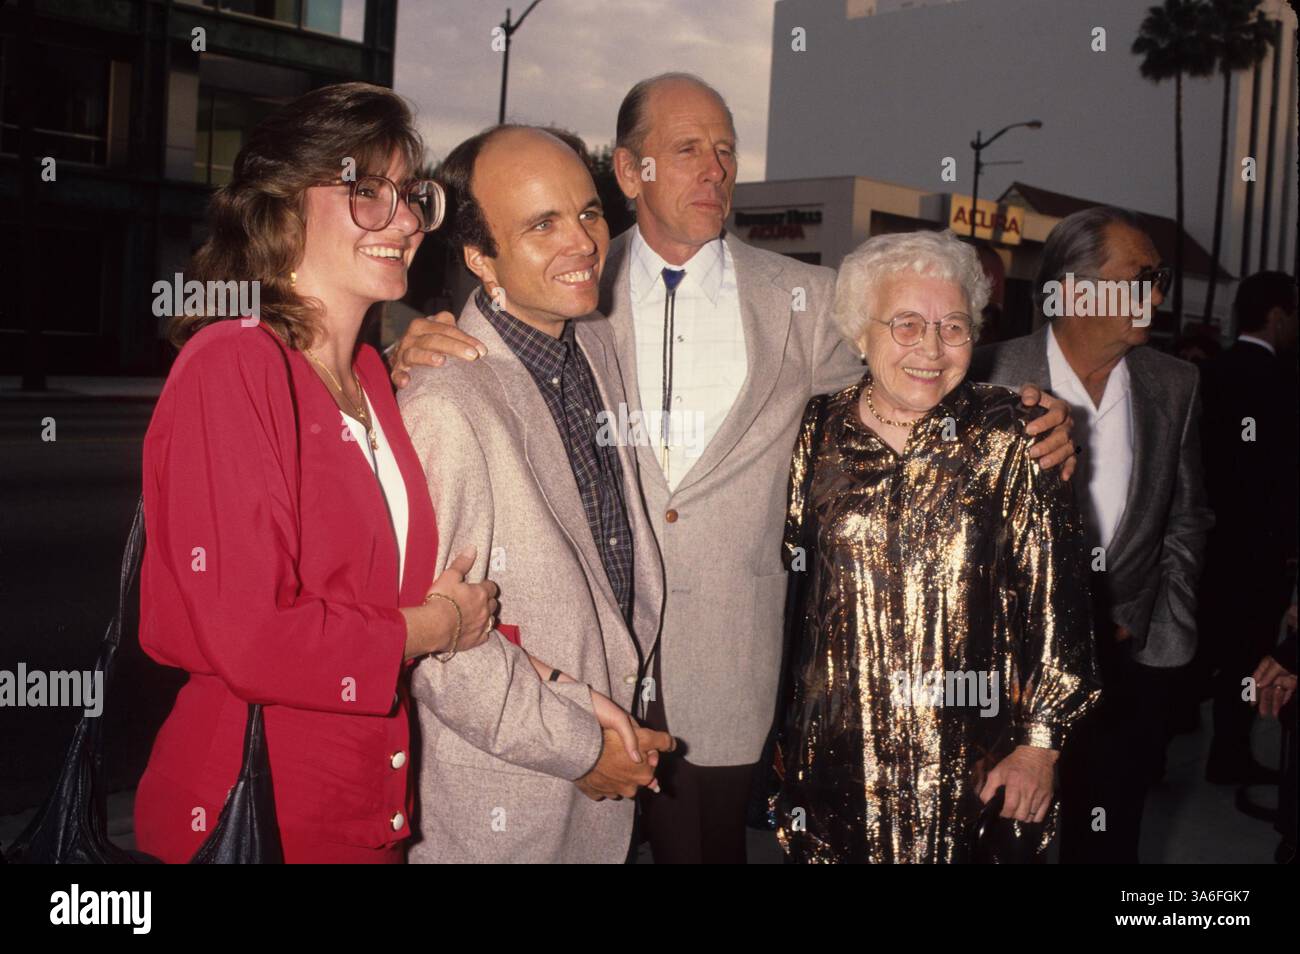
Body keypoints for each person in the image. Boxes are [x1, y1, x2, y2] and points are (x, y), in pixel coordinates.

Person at [390, 73, 1078, 864]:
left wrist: (1029, 416)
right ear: (627, 171)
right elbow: (471, 397)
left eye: (726, 149)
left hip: (725, 667)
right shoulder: (573, 293)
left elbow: (920, 361)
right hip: (558, 681)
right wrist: (400, 352)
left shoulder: (808, 299)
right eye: (686, 149)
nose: (714, 168)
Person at [134, 83, 498, 864]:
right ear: (284, 205)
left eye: (410, 196)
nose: (404, 222)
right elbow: (254, 636)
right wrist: (436, 626)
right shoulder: (231, 364)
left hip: (364, 808)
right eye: (367, 191)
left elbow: (391, 582)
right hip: (251, 812)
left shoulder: (369, 373)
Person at [775, 230, 1099, 863]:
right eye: (906, 324)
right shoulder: (816, 428)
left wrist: (1039, 745)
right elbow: (794, 587)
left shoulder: (1016, 432)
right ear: (859, 333)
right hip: (837, 759)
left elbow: (1061, 605)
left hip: (971, 768)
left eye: (953, 326)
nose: (931, 348)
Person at [400, 126, 673, 863]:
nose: (583, 242)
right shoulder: (445, 403)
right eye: (541, 223)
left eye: (587, 213)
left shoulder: (596, 345)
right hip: (507, 804)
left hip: (599, 787)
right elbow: (439, 649)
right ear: (480, 256)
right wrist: (585, 749)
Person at [971, 205, 1214, 863]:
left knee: (1109, 842)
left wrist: (1157, 620)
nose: (1158, 295)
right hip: (1007, 677)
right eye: (1143, 277)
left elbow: (1188, 515)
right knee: (1000, 841)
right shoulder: (984, 374)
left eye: (1160, 278)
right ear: (1076, 290)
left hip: (1126, 669)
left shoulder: (1175, 383)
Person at [1199, 270, 1298, 784]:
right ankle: (1229, 753)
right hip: (1260, 549)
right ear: (1277, 314)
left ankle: (1168, 745)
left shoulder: (1210, 372)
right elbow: (1283, 475)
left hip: (1211, 541)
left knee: (1210, 647)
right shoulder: (1280, 380)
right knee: (1249, 655)